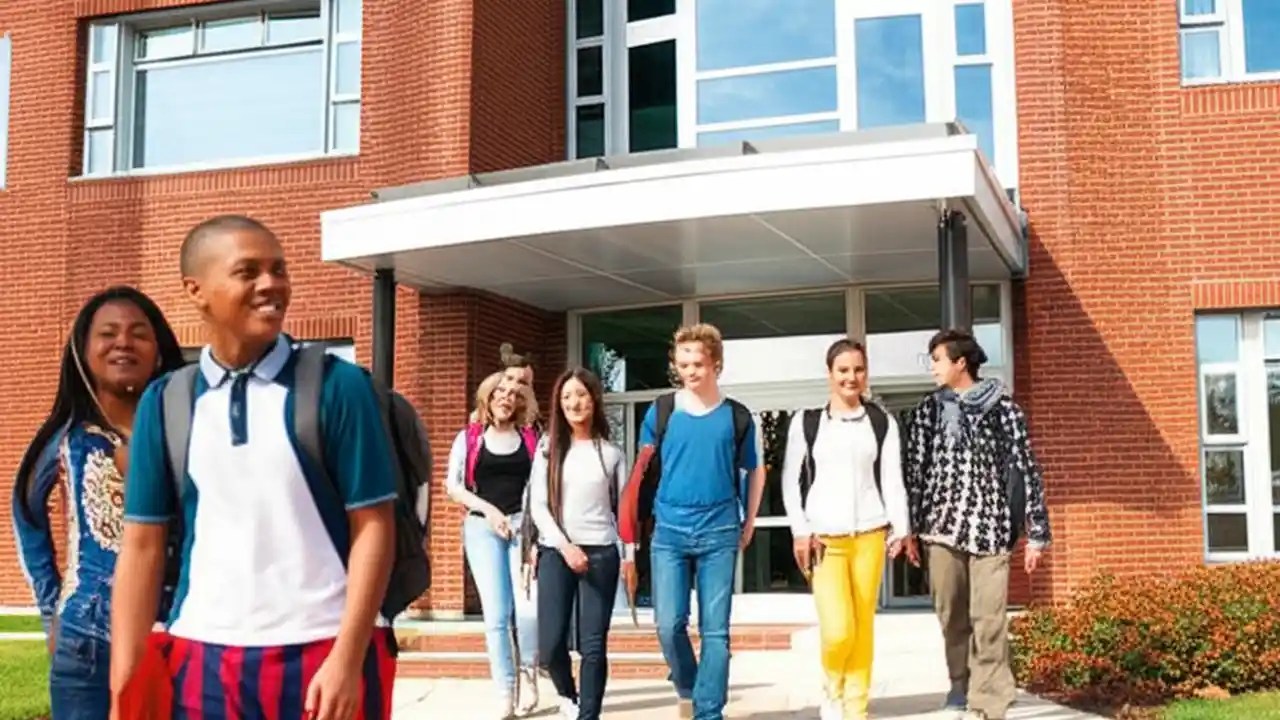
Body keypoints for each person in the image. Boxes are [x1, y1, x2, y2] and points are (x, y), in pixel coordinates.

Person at [109, 215, 399, 719]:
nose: (272, 285)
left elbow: (374, 526)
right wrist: (124, 689)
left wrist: (347, 658)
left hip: (324, 653)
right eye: (248, 271)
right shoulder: (166, 401)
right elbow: (141, 547)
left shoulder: (338, 387)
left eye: (279, 270)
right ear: (196, 290)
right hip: (202, 657)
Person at [11, 287, 185, 720]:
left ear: (159, 352)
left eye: (138, 333)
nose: (123, 342)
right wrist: (51, 611)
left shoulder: (188, 432)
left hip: (179, 633)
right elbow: (26, 513)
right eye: (108, 334)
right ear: (83, 354)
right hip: (86, 640)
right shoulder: (69, 439)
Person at [618, 323, 766, 720]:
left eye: (698, 363)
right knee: (668, 624)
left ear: (715, 364)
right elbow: (643, 470)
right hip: (669, 531)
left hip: (719, 529)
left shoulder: (737, 416)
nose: (690, 371)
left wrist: (749, 521)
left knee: (715, 630)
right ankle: (689, 684)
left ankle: (708, 712)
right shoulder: (663, 410)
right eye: (683, 364)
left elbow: (756, 470)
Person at [904, 330, 1052, 720]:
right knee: (951, 614)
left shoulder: (1004, 410)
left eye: (937, 359)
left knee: (988, 619)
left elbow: (1025, 469)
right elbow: (914, 474)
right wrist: (911, 530)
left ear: (959, 363)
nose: (932, 367)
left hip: (989, 531)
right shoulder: (926, 412)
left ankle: (990, 702)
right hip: (939, 530)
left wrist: (1036, 533)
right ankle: (960, 681)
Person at [780, 339, 913, 720]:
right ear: (830, 374)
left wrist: (900, 529)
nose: (851, 377)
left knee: (863, 627)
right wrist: (800, 531)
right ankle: (831, 689)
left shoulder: (881, 422)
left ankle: (856, 708)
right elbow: (790, 482)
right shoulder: (807, 423)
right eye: (843, 370)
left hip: (870, 535)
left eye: (858, 369)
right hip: (825, 540)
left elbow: (892, 479)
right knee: (839, 629)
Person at [528, 367, 627, 720]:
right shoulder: (547, 449)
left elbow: (622, 514)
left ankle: (589, 715)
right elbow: (538, 505)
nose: (574, 402)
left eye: (581, 395)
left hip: (601, 553)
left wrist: (628, 555)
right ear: (559, 403)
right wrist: (565, 546)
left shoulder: (612, 454)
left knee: (593, 646)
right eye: (567, 396)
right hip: (557, 552)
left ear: (594, 399)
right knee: (551, 645)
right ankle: (568, 695)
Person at [446, 372, 541, 719]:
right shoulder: (469, 438)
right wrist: (489, 511)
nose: (506, 397)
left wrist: (533, 532)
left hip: (524, 528)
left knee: (528, 609)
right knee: (497, 616)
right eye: (500, 391)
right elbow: (453, 486)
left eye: (513, 394)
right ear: (487, 397)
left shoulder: (531, 438)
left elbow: (541, 486)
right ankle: (505, 690)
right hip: (482, 528)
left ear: (519, 402)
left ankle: (529, 673)